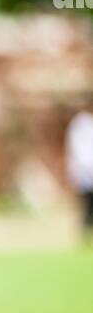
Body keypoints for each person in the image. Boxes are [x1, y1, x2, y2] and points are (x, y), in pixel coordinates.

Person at [64, 101, 93, 237]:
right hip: (85, 172)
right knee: (87, 203)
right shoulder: (81, 123)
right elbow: (80, 150)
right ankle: (85, 232)